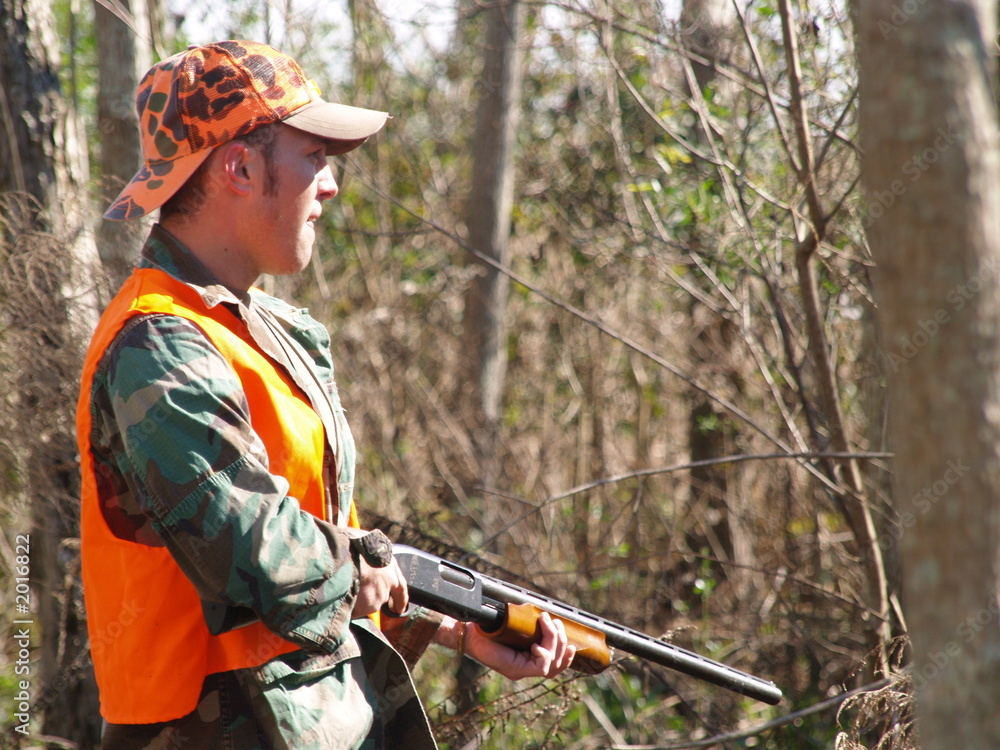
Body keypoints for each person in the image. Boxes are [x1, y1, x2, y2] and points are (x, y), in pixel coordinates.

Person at [77, 39, 574, 750]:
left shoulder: (260, 330)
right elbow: (249, 544)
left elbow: (320, 544)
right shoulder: (157, 343)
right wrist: (374, 567)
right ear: (239, 167)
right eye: (314, 156)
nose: (332, 185)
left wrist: (461, 623)